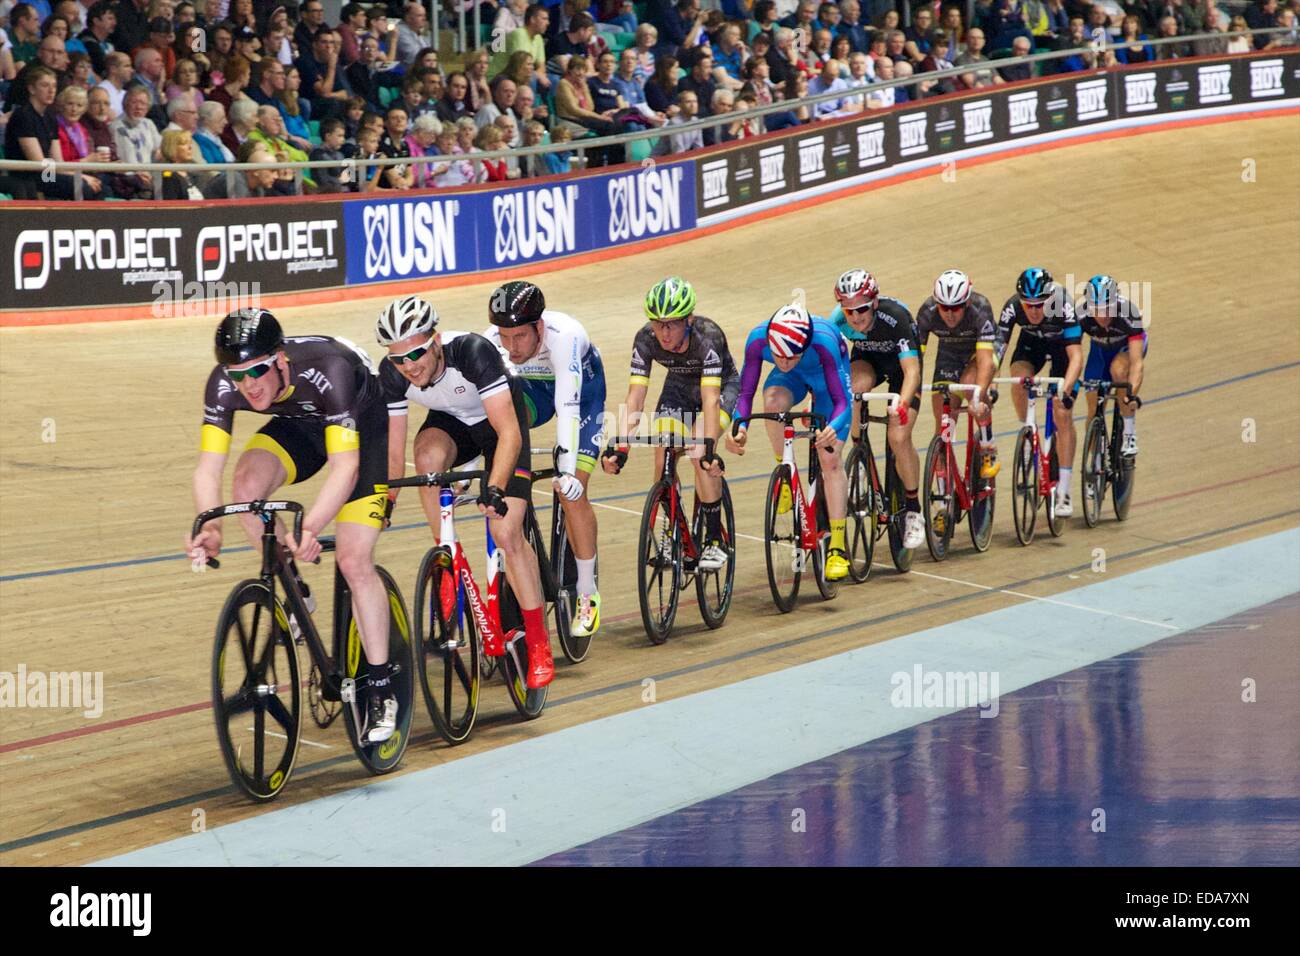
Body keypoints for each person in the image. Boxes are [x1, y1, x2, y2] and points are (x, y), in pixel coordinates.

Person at [186, 309, 400, 745]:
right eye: (239, 375)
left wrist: (311, 527)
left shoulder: (331, 369)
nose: (250, 386)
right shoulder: (223, 385)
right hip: (299, 425)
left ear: (281, 360)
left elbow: (345, 467)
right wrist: (209, 524)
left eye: (259, 371)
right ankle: (295, 589)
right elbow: (208, 469)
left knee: (354, 559)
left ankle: (381, 689)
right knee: (245, 485)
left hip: (361, 425)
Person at [377, 297, 555, 690]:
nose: (409, 367)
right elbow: (394, 452)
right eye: (398, 359)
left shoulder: (472, 352)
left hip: (501, 428)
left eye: (417, 353)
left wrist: (493, 488)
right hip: (453, 423)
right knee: (425, 457)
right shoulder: (393, 375)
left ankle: (539, 642)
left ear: (436, 340)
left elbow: (508, 433)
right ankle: (446, 563)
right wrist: (385, 501)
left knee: (506, 532)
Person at [484, 282, 608, 638]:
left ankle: (587, 591)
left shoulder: (564, 335)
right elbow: (482, 415)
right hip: (533, 391)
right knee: (498, 420)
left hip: (581, 396)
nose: (511, 346)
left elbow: (568, 408)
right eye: (504, 337)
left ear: (538, 327)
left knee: (574, 493)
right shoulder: (491, 340)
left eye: (520, 337)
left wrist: (567, 472)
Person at [603, 278, 737, 573]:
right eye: (657, 323)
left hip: (721, 387)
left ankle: (715, 539)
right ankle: (673, 532)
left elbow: (711, 397)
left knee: (699, 447)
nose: (663, 332)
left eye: (672, 324)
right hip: (679, 386)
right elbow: (636, 395)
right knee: (663, 446)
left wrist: (710, 448)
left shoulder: (708, 336)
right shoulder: (645, 339)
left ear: (688, 319)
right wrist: (621, 444)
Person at [726, 301, 852, 581]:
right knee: (771, 402)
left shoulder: (824, 342)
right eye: (778, 356)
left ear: (804, 346)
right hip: (792, 378)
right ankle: (785, 472)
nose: (782, 361)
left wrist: (832, 427)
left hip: (825, 376)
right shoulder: (758, 340)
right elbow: (746, 395)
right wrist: (740, 426)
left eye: (790, 356)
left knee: (830, 459)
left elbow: (842, 401)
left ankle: (838, 547)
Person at [829, 269, 925, 549]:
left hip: (901, 368)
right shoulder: (838, 321)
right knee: (853, 391)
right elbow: (831, 367)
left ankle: (913, 509)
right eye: (849, 312)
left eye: (861, 309)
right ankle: (860, 455)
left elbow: (912, 373)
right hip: (868, 359)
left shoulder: (896, 318)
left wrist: (903, 404)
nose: (855, 318)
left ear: (873, 302)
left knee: (898, 437)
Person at [996, 268, 1084, 516]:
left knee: (1062, 412)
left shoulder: (1063, 305)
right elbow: (997, 350)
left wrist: (1065, 390)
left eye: (1039, 305)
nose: (1033, 311)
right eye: (1028, 305)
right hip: (1031, 344)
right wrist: (992, 379)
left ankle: (1065, 491)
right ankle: (1028, 432)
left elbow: (1076, 357)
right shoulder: (1012, 307)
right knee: (1018, 378)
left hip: (1062, 350)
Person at [914, 270, 1001, 484]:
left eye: (956, 308)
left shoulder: (980, 308)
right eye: (944, 308)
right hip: (949, 354)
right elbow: (915, 359)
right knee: (943, 420)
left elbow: (985, 361)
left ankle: (988, 445)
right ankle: (944, 495)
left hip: (981, 352)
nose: (950, 314)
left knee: (970, 387)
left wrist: (979, 396)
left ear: (967, 303)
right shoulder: (927, 312)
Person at [1075, 275, 1145, 457]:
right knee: (1093, 407)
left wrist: (1130, 394)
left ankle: (1129, 433)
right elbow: (1072, 354)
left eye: (1107, 309)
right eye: (1096, 310)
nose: (1103, 315)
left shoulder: (1129, 312)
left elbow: (1137, 362)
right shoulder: (1080, 314)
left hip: (1127, 348)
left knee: (1119, 371)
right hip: (1099, 350)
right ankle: (1095, 463)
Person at [159, 127, 204, 198]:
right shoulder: (168, 176)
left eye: (190, 143)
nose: (190, 147)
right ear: (172, 147)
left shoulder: (192, 173)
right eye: (184, 144)